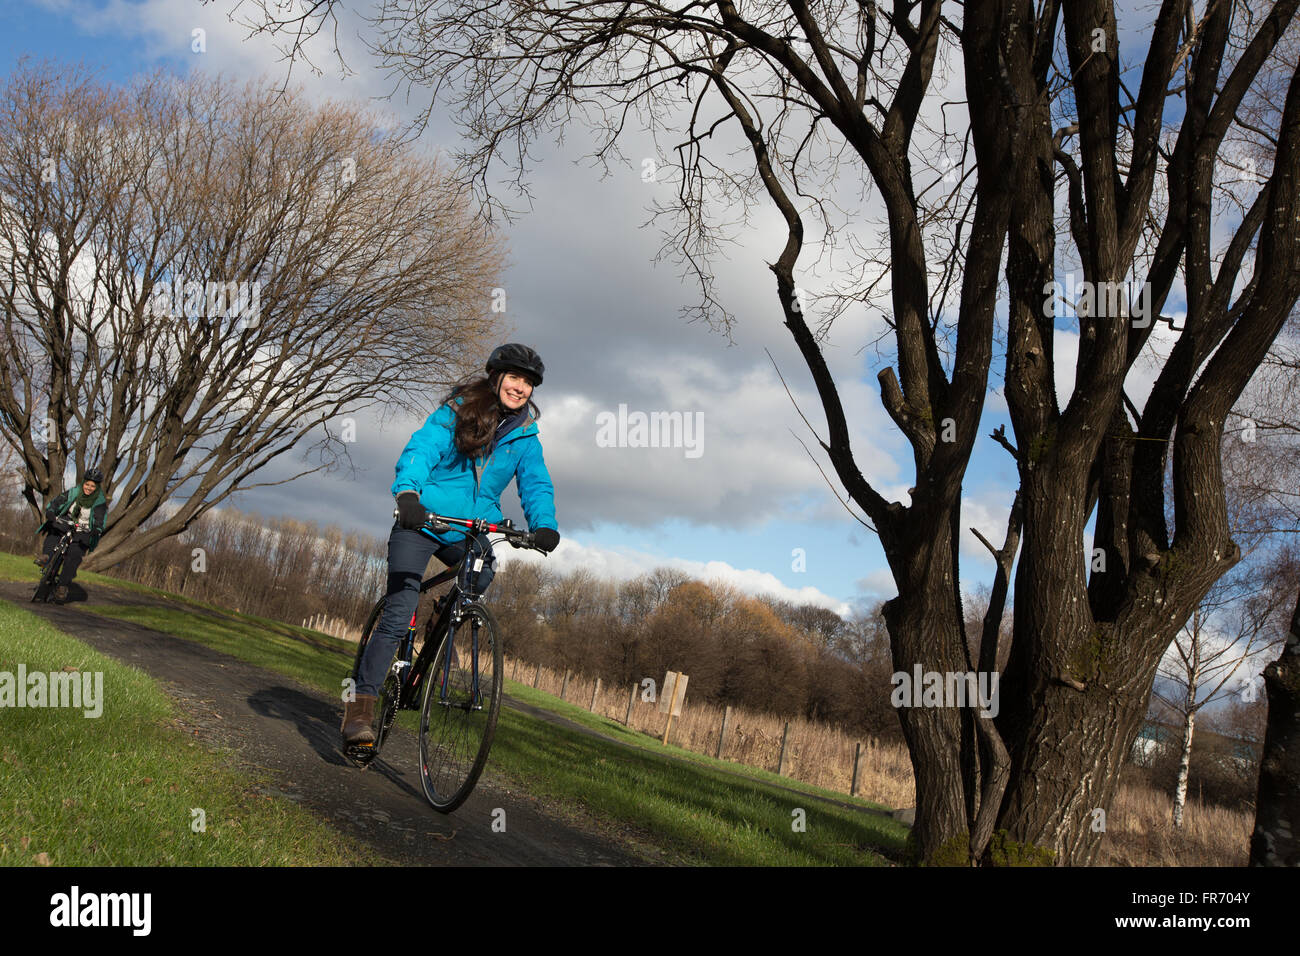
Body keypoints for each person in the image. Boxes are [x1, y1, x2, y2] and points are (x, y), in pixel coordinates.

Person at [342, 344, 561, 745]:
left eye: (528, 382)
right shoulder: (457, 412)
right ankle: (360, 709)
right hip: (422, 521)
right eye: (514, 377)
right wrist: (408, 493)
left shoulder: (526, 436)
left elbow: (536, 483)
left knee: (484, 568)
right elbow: (421, 449)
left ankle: (443, 618)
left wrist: (543, 525)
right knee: (396, 614)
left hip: (470, 529)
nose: (520, 387)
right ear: (496, 378)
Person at [35, 468, 108, 604]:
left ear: (97, 487)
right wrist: (51, 511)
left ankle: (62, 586)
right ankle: (46, 557)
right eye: (87, 484)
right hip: (66, 521)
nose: (89, 488)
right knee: (54, 532)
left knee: (74, 555)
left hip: (84, 529)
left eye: (93, 486)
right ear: (83, 483)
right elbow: (57, 502)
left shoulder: (100, 502)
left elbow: (99, 520)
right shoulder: (73, 492)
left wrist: (97, 529)